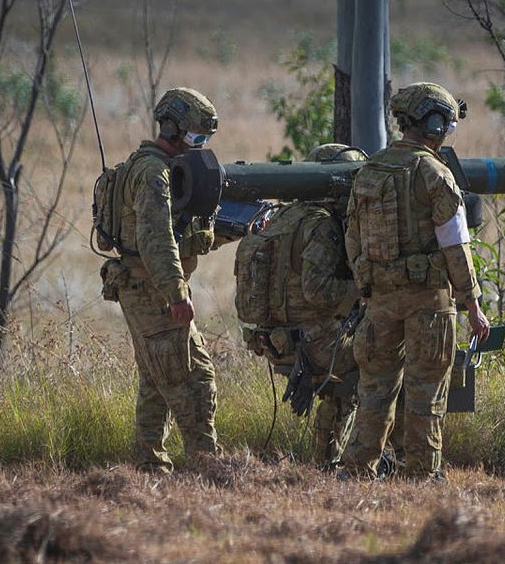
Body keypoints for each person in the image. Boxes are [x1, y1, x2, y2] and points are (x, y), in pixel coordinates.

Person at [339, 82, 491, 481]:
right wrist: (473, 305)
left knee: (375, 392)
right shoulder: (434, 173)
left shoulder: (370, 169)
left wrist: (368, 286)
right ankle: (422, 476)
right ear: (434, 124)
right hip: (428, 303)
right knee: (426, 393)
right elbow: (455, 246)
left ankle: (355, 472)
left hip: (380, 301)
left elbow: (352, 237)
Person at [108, 87, 224, 474]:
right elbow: (155, 239)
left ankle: (149, 467)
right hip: (154, 293)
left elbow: (177, 234)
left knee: (157, 382)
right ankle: (207, 468)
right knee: (193, 380)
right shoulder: (153, 173)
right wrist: (176, 293)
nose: (199, 146)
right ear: (172, 129)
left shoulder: (158, 168)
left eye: (204, 139)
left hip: (146, 288)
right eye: (195, 137)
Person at [237, 144, 366, 468]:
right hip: (314, 343)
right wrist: (363, 292)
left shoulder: (281, 216)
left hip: (277, 341)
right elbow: (318, 290)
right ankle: (355, 462)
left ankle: (327, 461)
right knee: (384, 360)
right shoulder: (321, 225)